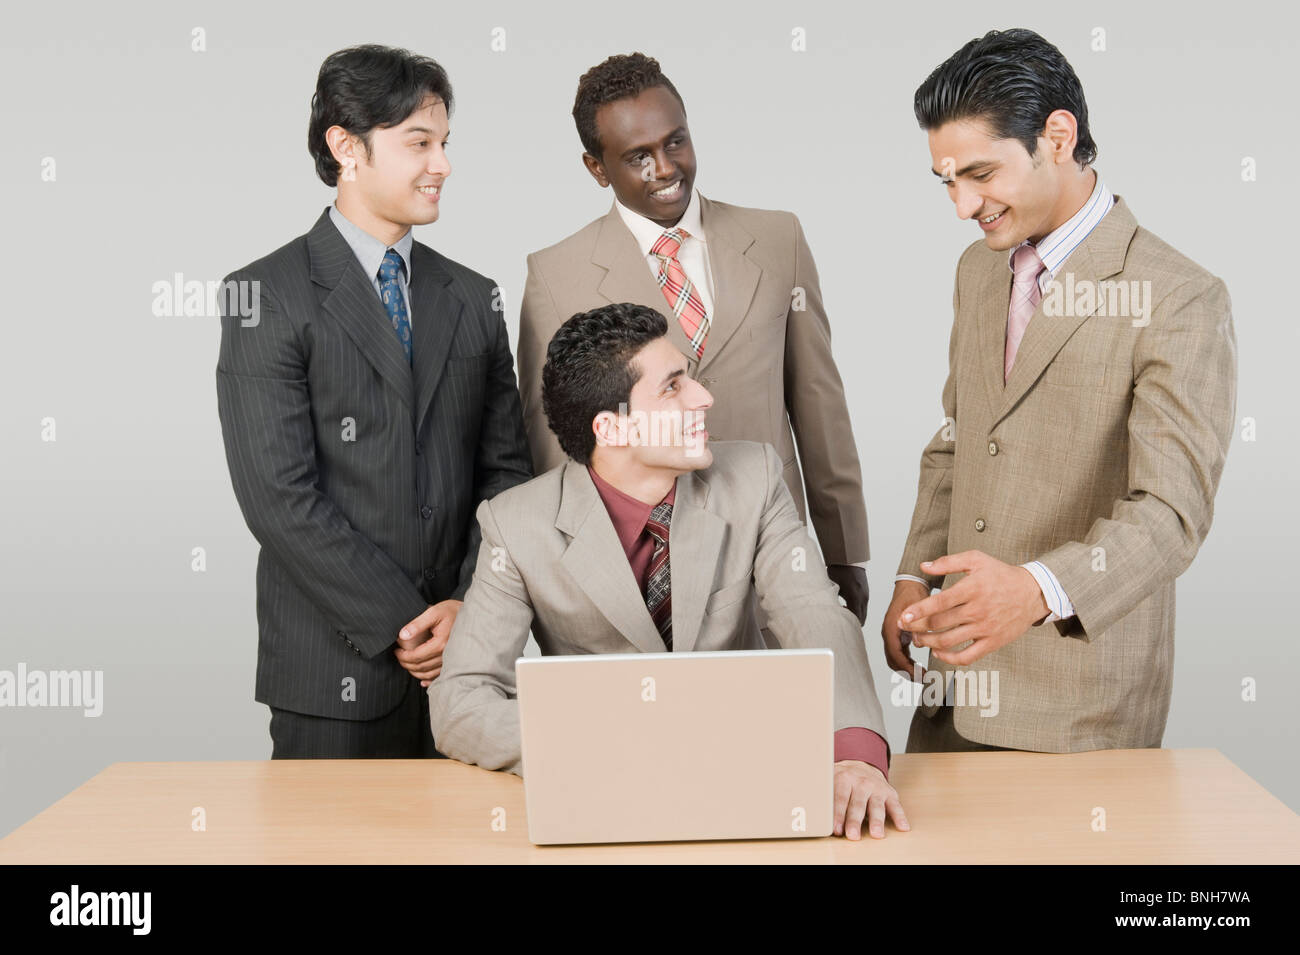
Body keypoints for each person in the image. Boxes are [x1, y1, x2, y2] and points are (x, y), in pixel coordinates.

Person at [883, 29, 1237, 753]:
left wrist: (1038, 588)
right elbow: (958, 440)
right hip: (950, 683)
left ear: (1057, 135)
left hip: (1077, 710)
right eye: (947, 180)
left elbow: (1172, 513)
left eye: (979, 173)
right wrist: (912, 577)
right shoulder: (978, 272)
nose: (961, 205)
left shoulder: (1180, 297)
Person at [430, 303, 907, 840]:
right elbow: (461, 700)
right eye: (673, 388)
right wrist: (595, 743)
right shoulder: (516, 524)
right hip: (599, 804)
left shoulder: (755, 476)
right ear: (610, 428)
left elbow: (813, 613)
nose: (704, 397)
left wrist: (855, 754)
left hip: (746, 788)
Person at [215, 44, 531, 758]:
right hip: (334, 674)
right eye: (419, 142)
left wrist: (470, 612)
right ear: (345, 147)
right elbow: (279, 497)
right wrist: (407, 623)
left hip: (469, 668)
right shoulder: (264, 294)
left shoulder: (473, 296)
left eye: (445, 143)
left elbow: (508, 474)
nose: (442, 164)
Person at [516, 52, 872, 627]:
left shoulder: (777, 237)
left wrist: (843, 549)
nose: (665, 167)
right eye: (638, 157)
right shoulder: (556, 274)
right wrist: (574, 588)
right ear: (597, 168)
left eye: (675, 142)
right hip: (644, 569)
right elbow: (555, 446)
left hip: (773, 549)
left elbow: (819, 403)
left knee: (786, 711)